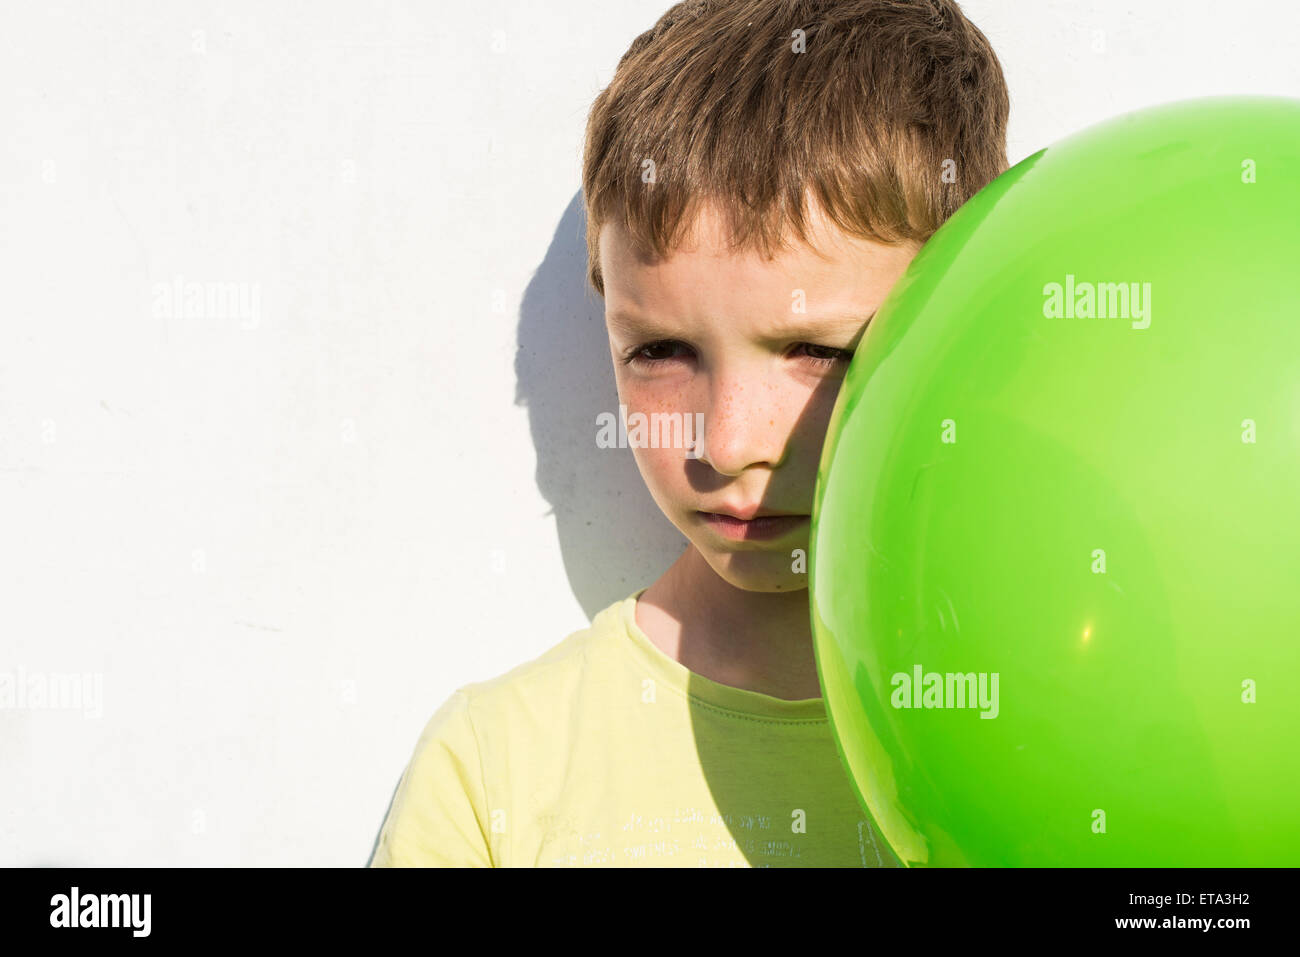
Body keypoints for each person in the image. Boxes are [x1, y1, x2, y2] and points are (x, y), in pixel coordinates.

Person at [370, 0, 1009, 867]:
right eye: (662, 350)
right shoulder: (497, 776)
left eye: (818, 351)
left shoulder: (1049, 713)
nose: (728, 442)